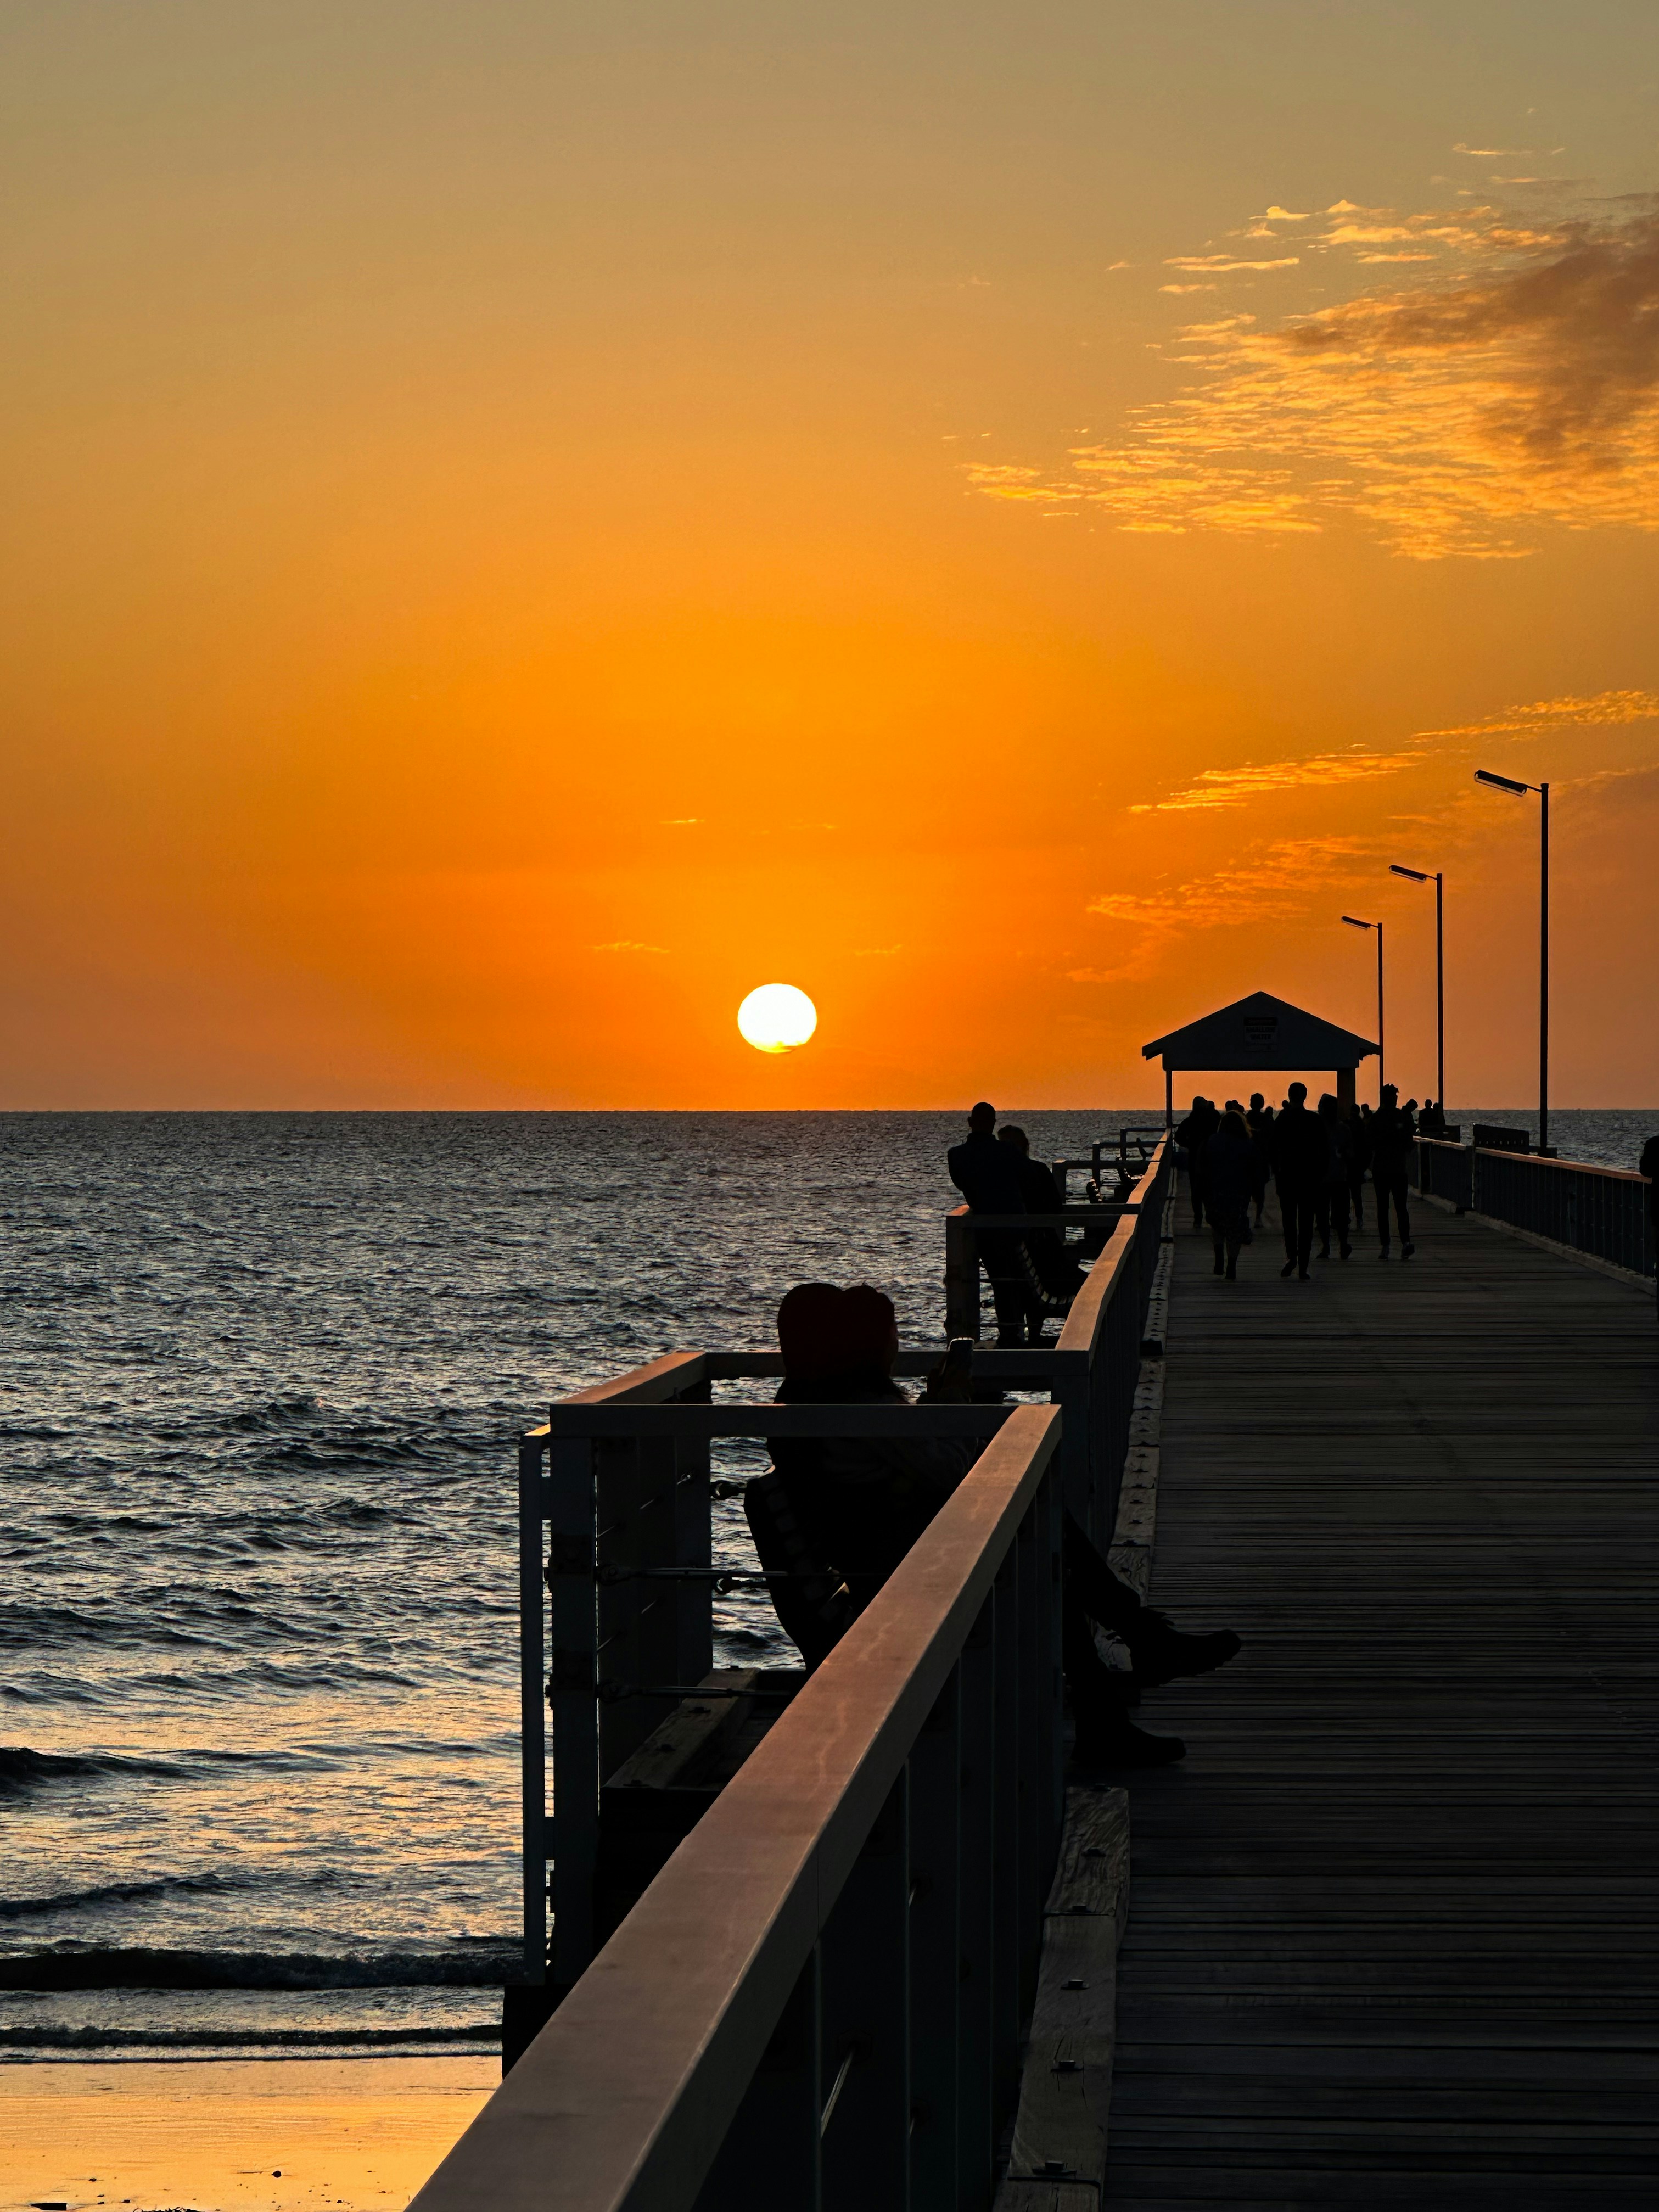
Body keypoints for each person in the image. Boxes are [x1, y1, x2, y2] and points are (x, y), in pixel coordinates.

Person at [751, 1281, 1240, 1768]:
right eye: (891, 1333)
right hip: (903, 1580)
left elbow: (905, 1471)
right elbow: (949, 1469)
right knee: (1043, 1538)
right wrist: (955, 1405)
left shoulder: (813, 1409)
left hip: (890, 1565)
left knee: (1044, 1540)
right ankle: (1135, 1660)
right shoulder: (861, 1411)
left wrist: (936, 1413)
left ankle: (1122, 1689)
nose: (897, 1344)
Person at [946, 1101, 1028, 1346]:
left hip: (986, 1230)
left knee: (1001, 1282)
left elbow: (964, 1185)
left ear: (970, 1122)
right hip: (1015, 1227)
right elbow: (1024, 1178)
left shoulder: (956, 1156)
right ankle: (1014, 1331)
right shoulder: (1009, 1153)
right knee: (1013, 1283)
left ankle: (1008, 1333)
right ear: (994, 1124)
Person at [998, 1124, 1086, 1339]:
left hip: (1028, 1266)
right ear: (1025, 1146)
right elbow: (1056, 1208)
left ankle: (1027, 1334)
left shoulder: (1000, 1179)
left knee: (1026, 1292)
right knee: (1098, 1282)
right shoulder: (1037, 1170)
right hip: (1049, 1268)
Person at [1269, 1082, 1329, 1280]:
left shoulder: (1283, 1119)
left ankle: (1291, 1256)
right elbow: (1325, 1150)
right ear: (1305, 1096)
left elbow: (1273, 1148)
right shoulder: (1314, 1120)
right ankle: (1303, 1265)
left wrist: (1276, 1172)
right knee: (1306, 1223)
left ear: (1290, 1095)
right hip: (1309, 1178)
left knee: (1289, 1221)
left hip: (1287, 1177)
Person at [1203, 1109, 1256, 1279]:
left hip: (1217, 1189)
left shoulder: (1213, 1141)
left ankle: (1219, 1258)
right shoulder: (1247, 1144)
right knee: (1235, 1227)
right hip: (1239, 1191)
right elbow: (1253, 1168)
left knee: (1217, 1223)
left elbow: (1205, 1166)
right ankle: (1232, 1265)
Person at [1370, 1084, 1416, 1258]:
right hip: (1396, 1169)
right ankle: (1404, 1242)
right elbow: (1409, 1145)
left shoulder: (1376, 1119)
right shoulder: (1401, 1117)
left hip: (1383, 1169)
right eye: (1394, 1096)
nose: (1395, 1098)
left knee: (1384, 1208)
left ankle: (1387, 1246)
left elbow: (1370, 1144)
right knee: (1400, 1208)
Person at [1314, 1093, 1354, 1261]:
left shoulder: (1320, 1129)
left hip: (1332, 1178)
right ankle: (1336, 1245)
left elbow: (1351, 1153)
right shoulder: (1342, 1129)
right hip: (1331, 1178)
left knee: (1331, 1215)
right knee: (1332, 1215)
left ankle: (1333, 1246)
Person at [1175, 1096, 1220, 1231]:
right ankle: (1211, 1216)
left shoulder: (1189, 1121)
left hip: (1195, 1159)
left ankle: (1198, 1218)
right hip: (1211, 1159)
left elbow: (1178, 1138)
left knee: (1196, 1190)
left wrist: (1190, 1145)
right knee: (1210, 1189)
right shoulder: (1213, 1121)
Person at [1245, 1094, 1274, 1225]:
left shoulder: (1245, 1119)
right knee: (1260, 1190)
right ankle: (1258, 1217)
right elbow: (1273, 1139)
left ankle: (1245, 1214)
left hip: (1247, 1159)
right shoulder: (1267, 1120)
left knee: (1246, 1190)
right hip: (1262, 1159)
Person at [1348, 1101, 1372, 1231]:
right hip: (1358, 1166)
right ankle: (1359, 1218)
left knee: (1346, 1195)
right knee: (1357, 1195)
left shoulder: (1346, 1126)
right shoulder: (1363, 1127)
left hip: (1348, 1166)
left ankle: (1345, 1218)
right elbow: (1368, 1150)